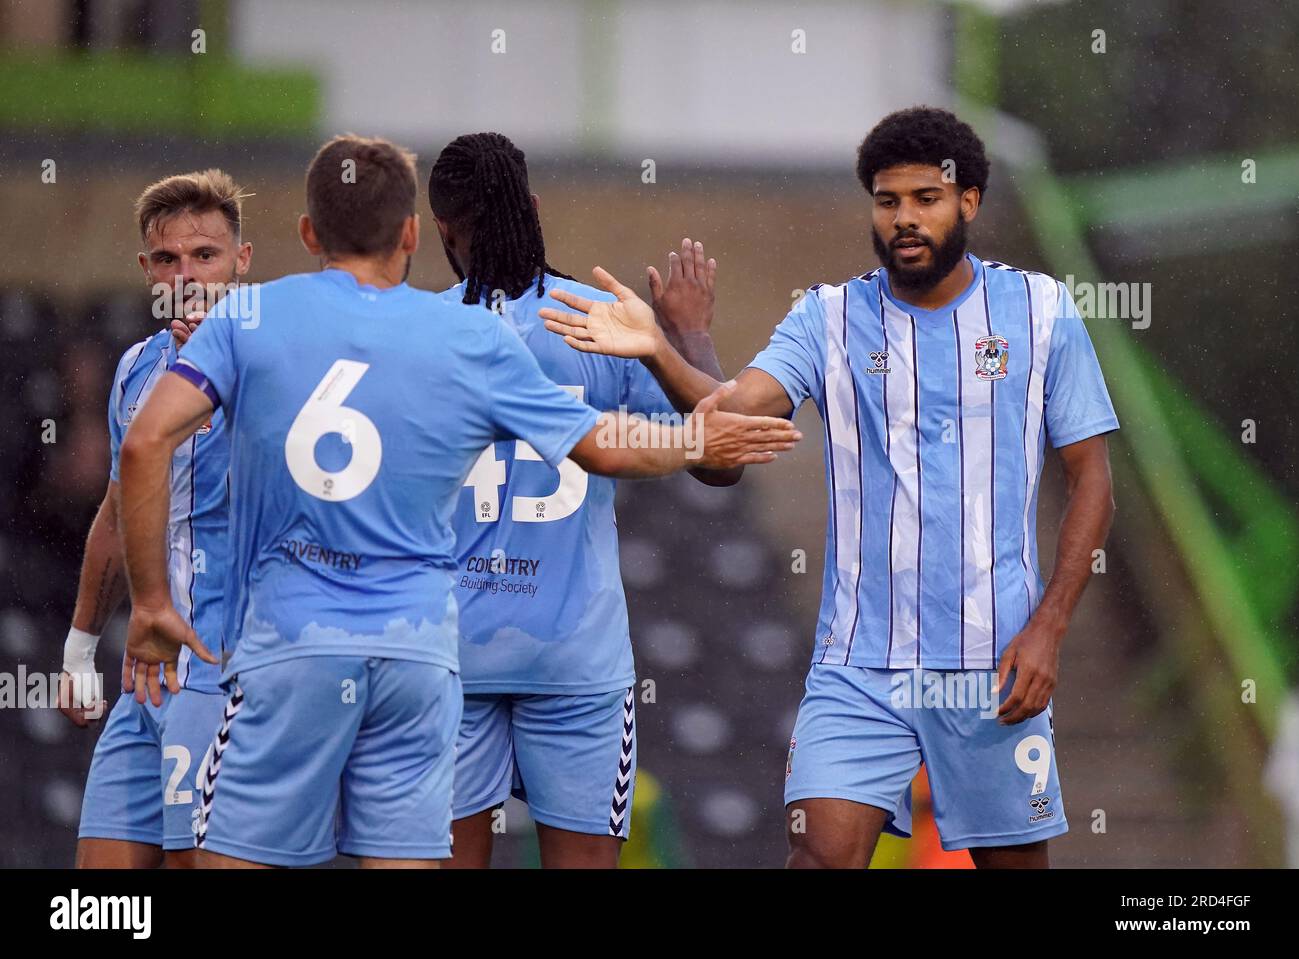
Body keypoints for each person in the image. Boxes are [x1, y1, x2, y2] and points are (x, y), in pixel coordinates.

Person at [116, 134, 800, 868]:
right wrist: (684, 348)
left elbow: (150, 447)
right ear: (411, 231)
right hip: (533, 655)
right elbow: (630, 445)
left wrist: (153, 599)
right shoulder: (580, 322)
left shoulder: (368, 324)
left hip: (407, 648)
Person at [540, 106, 1119, 868]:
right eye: (887, 201)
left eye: (925, 198)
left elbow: (1092, 480)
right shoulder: (828, 317)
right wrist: (661, 347)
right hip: (859, 668)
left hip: (993, 664)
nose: (904, 219)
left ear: (969, 201)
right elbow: (727, 435)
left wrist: (1048, 626)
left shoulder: (1041, 311)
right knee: (816, 856)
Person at [428, 132, 735, 868]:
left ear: (440, 228)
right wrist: (687, 335)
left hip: (445, 655)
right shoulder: (601, 319)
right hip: (573, 659)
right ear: (533, 209)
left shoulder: (421, 329)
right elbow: (720, 461)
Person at [64, 169, 252, 868]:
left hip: (222, 675)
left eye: (206, 255)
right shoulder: (135, 370)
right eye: (169, 258)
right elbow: (116, 512)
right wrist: (80, 647)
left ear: (242, 260)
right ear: (148, 270)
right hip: (144, 676)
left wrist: (231, 369)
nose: (188, 273)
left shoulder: (275, 364)